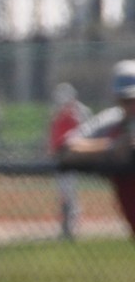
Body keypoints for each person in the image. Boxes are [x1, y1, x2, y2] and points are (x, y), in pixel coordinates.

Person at [57, 60, 135, 239]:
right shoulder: (113, 121)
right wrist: (112, 146)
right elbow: (68, 148)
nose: (131, 106)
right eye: (126, 100)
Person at [46, 82, 91, 240]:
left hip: (73, 155)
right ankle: (68, 223)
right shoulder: (57, 112)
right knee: (64, 191)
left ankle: (71, 224)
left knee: (68, 191)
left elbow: (86, 131)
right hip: (60, 155)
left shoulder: (79, 112)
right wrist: (51, 149)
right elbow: (53, 134)